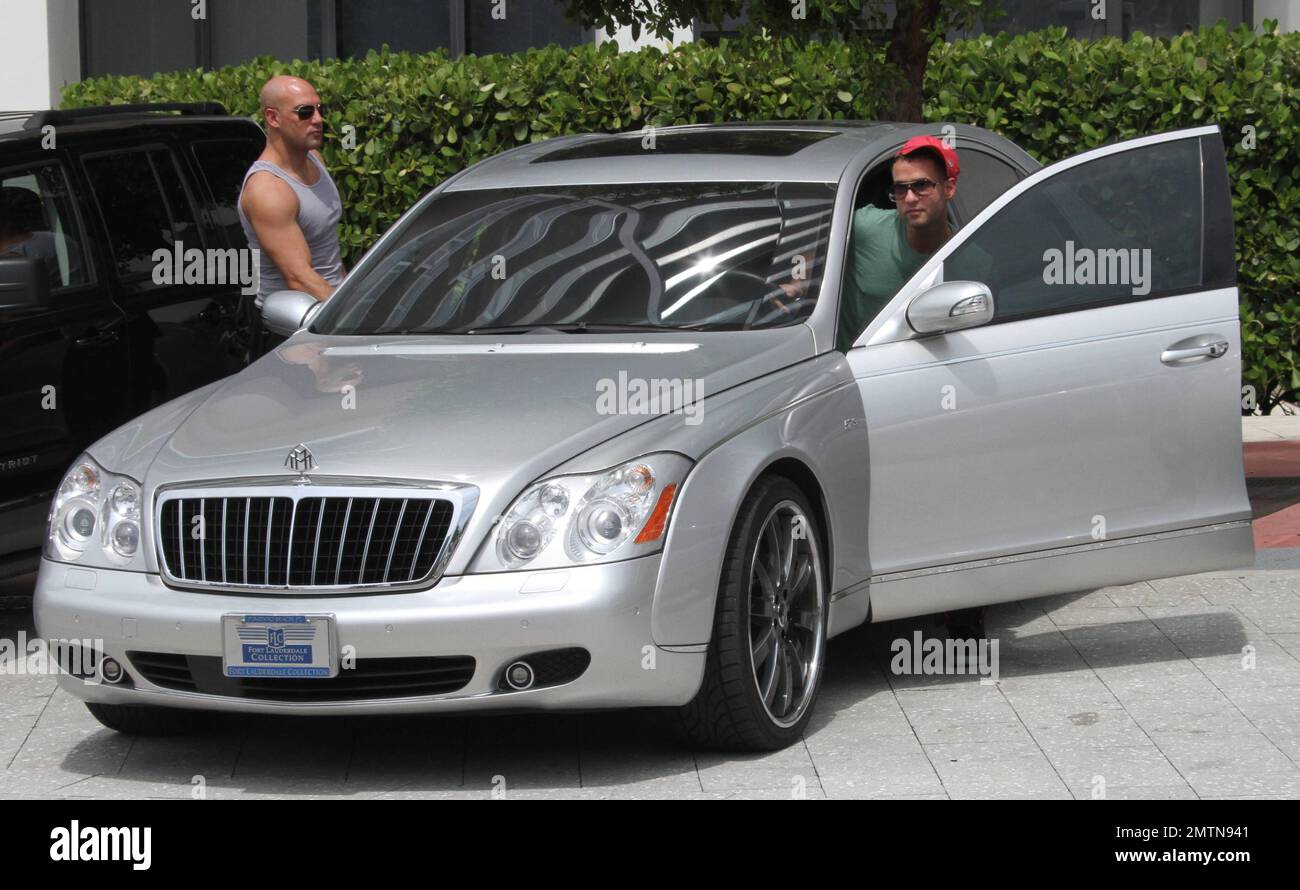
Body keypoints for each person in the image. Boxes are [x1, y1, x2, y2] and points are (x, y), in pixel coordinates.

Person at [238, 75, 344, 356]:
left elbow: (330, 255)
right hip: (291, 333)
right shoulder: (268, 189)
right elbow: (299, 278)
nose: (318, 119)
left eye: (321, 109)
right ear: (273, 118)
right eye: (305, 112)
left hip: (329, 316)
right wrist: (355, 321)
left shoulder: (315, 160)